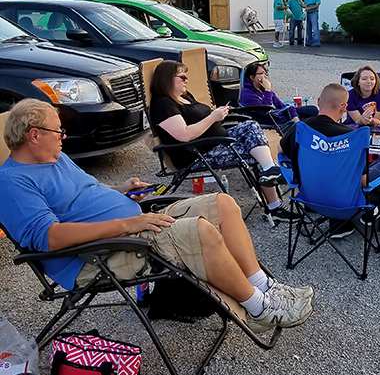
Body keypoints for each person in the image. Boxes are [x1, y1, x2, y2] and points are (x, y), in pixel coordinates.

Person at [0, 100, 313, 333]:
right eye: (58, 131)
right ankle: (259, 309)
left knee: (223, 204)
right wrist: (128, 223)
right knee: (201, 231)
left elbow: (85, 190)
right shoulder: (13, 183)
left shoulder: (53, 158)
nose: (63, 136)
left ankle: (264, 287)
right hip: (98, 256)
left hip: (132, 229)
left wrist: (121, 190)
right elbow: (49, 238)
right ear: (34, 135)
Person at [149, 61, 298, 222]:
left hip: (216, 142)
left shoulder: (184, 96)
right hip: (197, 154)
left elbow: (200, 118)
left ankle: (269, 169)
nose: (187, 80)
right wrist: (213, 117)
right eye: (182, 77)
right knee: (254, 152)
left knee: (251, 125)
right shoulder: (163, 104)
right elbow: (184, 135)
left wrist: (219, 114)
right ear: (167, 79)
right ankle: (274, 205)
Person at [280, 83, 380, 239]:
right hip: (348, 203)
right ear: (344, 107)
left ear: (318, 101)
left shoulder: (301, 129)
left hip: (310, 198)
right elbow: (363, 182)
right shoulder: (352, 136)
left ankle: (340, 224)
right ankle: (370, 210)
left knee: (340, 174)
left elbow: (281, 151)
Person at [241, 62, 318, 125]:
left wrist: (294, 116)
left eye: (266, 74)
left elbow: (281, 105)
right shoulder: (248, 94)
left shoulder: (262, 89)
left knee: (312, 110)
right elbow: (265, 111)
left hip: (280, 114)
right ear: (252, 77)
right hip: (274, 120)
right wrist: (267, 90)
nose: (265, 77)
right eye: (262, 74)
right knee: (311, 120)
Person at [346, 65, 380, 131]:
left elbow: (378, 120)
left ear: (376, 81)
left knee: (376, 133)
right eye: (364, 79)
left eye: (372, 79)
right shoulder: (350, 95)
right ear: (358, 82)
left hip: (375, 125)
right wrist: (364, 119)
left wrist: (370, 120)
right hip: (354, 124)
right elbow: (357, 120)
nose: (369, 81)